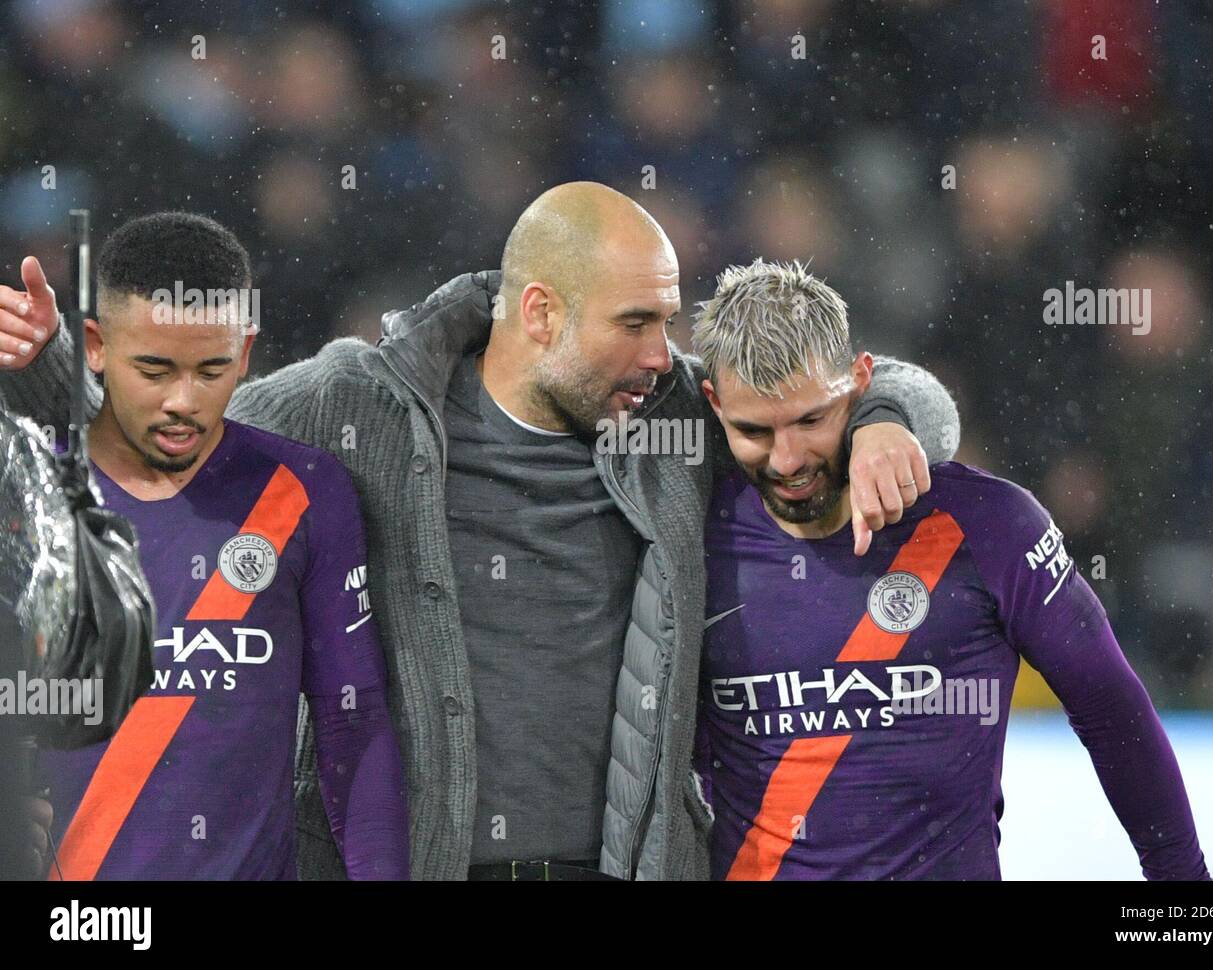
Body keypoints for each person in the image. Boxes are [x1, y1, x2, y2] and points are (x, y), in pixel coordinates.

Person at [0, 182, 960, 880]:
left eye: (666, 321)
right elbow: (167, 434)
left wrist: (881, 424)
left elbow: (896, 391)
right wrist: (48, 371)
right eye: (637, 321)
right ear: (539, 312)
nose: (663, 352)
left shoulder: (674, 419)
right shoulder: (356, 404)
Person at [693, 258, 1209, 880]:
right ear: (713, 404)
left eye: (811, 420)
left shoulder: (990, 524)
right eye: (754, 430)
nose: (788, 459)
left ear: (861, 383)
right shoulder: (687, 538)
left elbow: (1110, 708)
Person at [0, 212, 407, 879]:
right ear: (96, 347)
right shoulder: (28, 492)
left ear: (245, 353)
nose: (183, 402)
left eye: (212, 369)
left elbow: (351, 721)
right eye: (154, 370)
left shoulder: (303, 491)